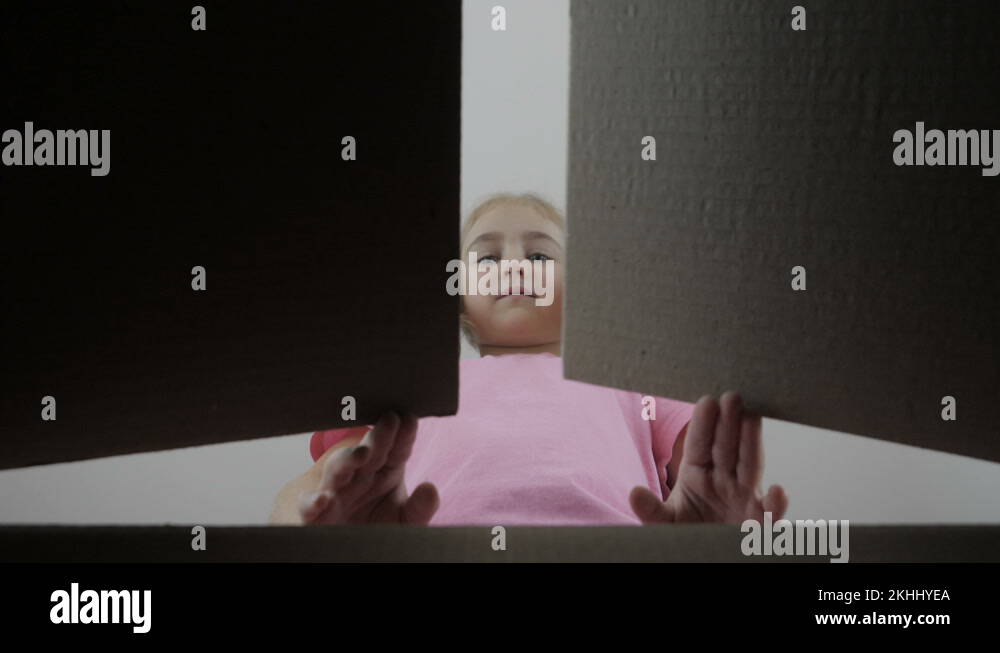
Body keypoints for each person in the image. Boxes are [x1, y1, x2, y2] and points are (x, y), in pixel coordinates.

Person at [269, 192, 788, 526]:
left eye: (539, 255)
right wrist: (318, 531)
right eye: (488, 256)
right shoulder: (414, 385)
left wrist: (723, 533)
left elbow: (714, 472)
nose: (514, 264)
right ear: (457, 294)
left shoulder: (632, 382)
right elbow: (315, 487)